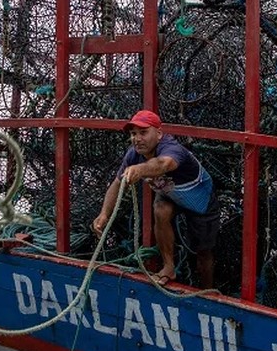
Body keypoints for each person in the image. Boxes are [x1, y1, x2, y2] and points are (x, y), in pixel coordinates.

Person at [92, 110, 220, 288]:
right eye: (133, 134)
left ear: (159, 134)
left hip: (199, 200)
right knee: (160, 210)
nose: (137, 139)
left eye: (143, 132)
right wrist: (104, 214)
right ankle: (169, 267)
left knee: (203, 253)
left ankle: (208, 290)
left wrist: (140, 169)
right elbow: (117, 184)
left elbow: (164, 164)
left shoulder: (172, 149)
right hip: (170, 194)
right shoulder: (133, 155)